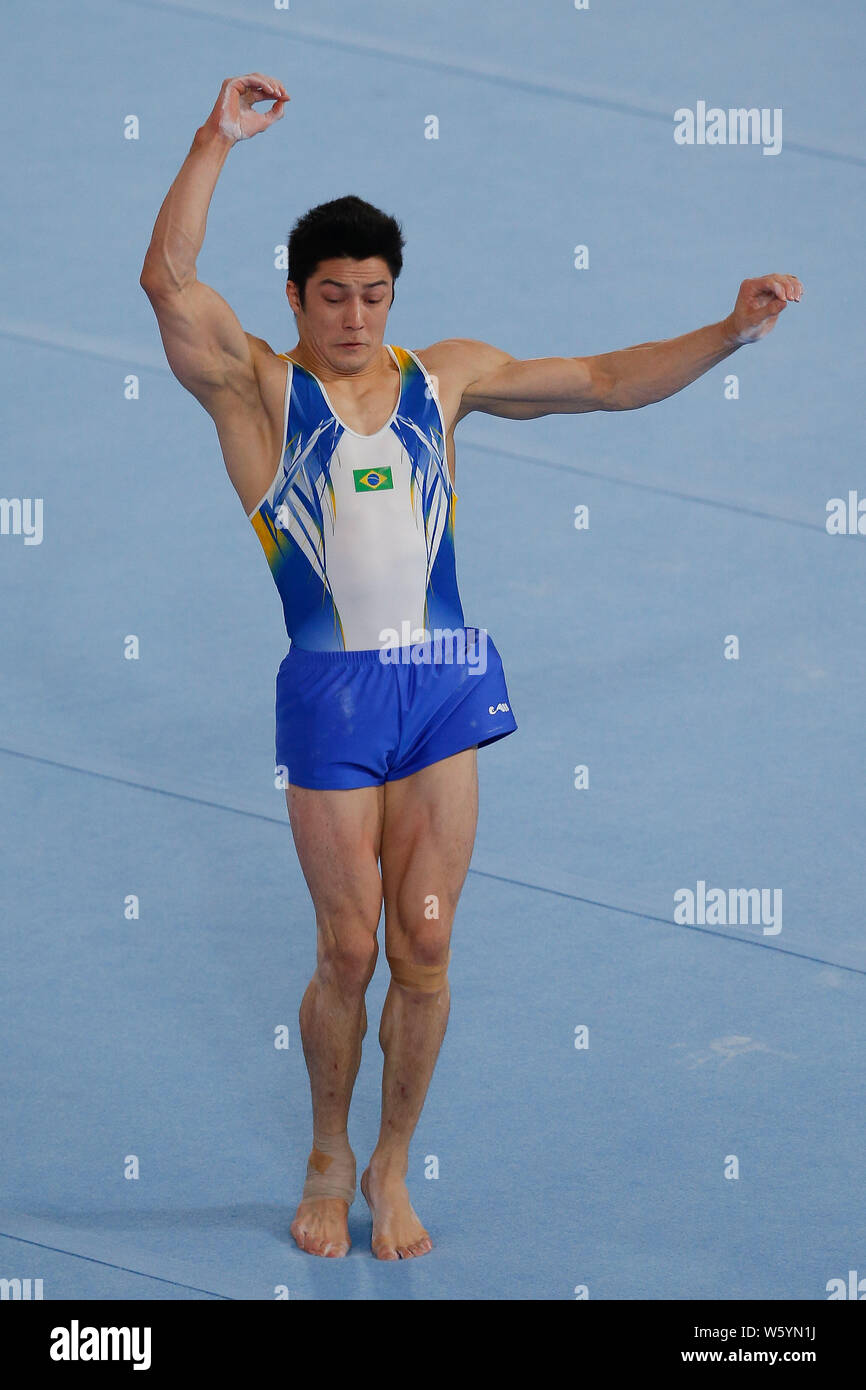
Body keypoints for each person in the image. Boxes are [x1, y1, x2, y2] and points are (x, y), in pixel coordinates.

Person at [140, 73, 803, 1261]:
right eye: (332, 296)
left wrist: (727, 330)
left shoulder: (440, 381)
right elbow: (171, 284)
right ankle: (326, 1150)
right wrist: (210, 143)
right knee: (349, 950)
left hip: (445, 684)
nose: (353, 316)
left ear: (394, 295)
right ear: (296, 297)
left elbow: (601, 381)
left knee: (427, 943)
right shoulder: (259, 390)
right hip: (331, 690)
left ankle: (392, 1162)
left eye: (373, 295)